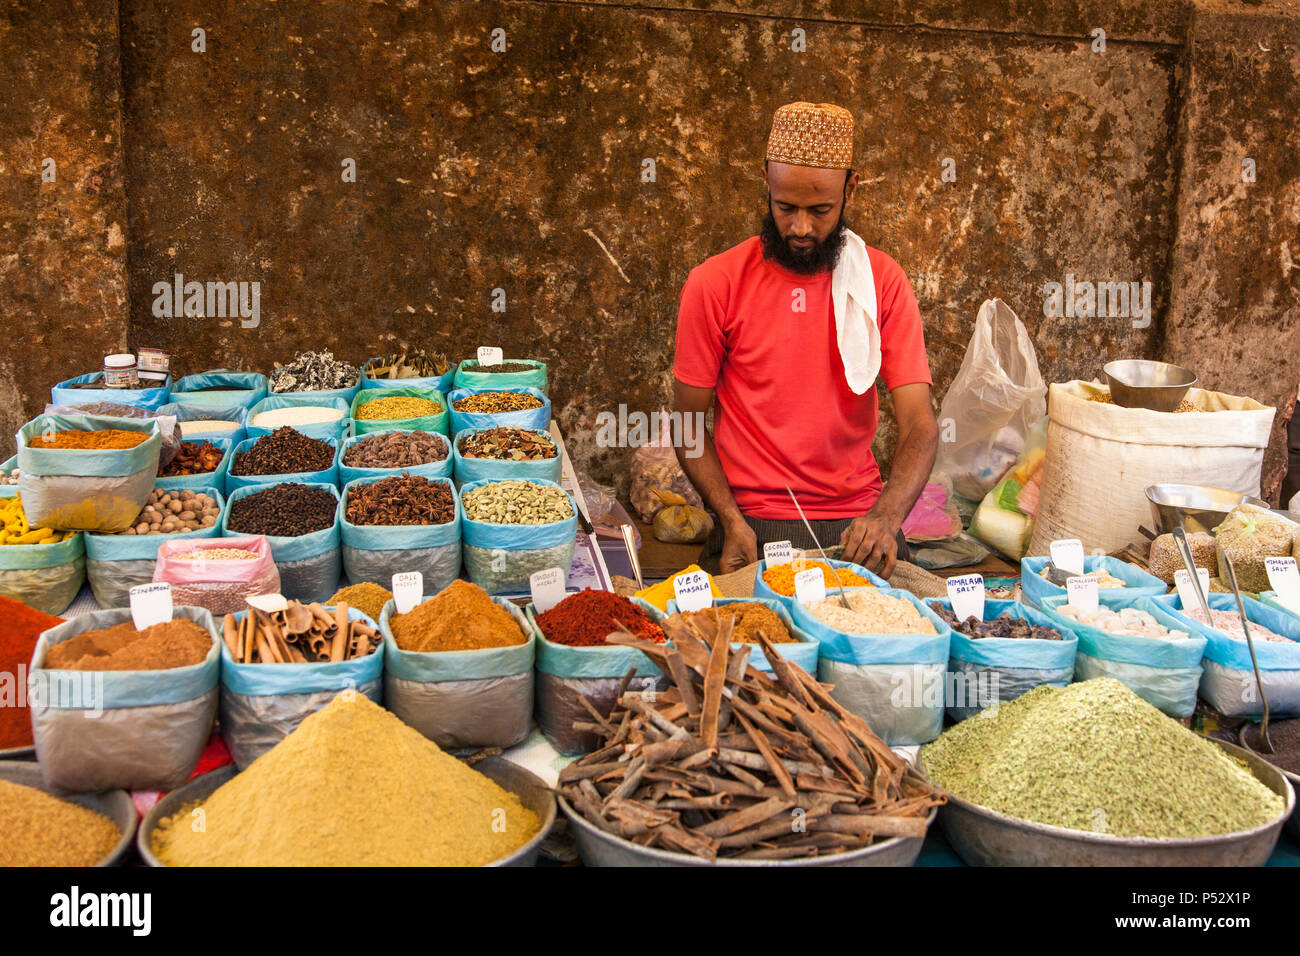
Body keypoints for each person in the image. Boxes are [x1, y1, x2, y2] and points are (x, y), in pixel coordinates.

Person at [673, 101, 938, 577]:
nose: (800, 228)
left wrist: (886, 517)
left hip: (858, 524)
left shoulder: (883, 282)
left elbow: (919, 422)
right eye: (785, 207)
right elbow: (687, 424)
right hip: (752, 525)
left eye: (820, 210)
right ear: (766, 181)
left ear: (850, 189)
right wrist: (728, 518)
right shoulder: (715, 283)